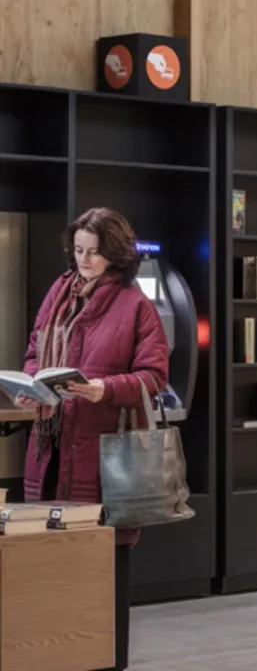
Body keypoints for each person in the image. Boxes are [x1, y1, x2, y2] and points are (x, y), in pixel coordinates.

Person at [21, 208, 169, 671]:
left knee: (103, 559)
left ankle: (106, 658)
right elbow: (34, 348)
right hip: (50, 446)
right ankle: (55, 653)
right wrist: (31, 384)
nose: (82, 260)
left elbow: (154, 375)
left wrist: (105, 388)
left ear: (116, 253)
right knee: (49, 557)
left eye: (93, 252)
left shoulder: (136, 305)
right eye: (78, 250)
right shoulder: (59, 294)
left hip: (103, 453)